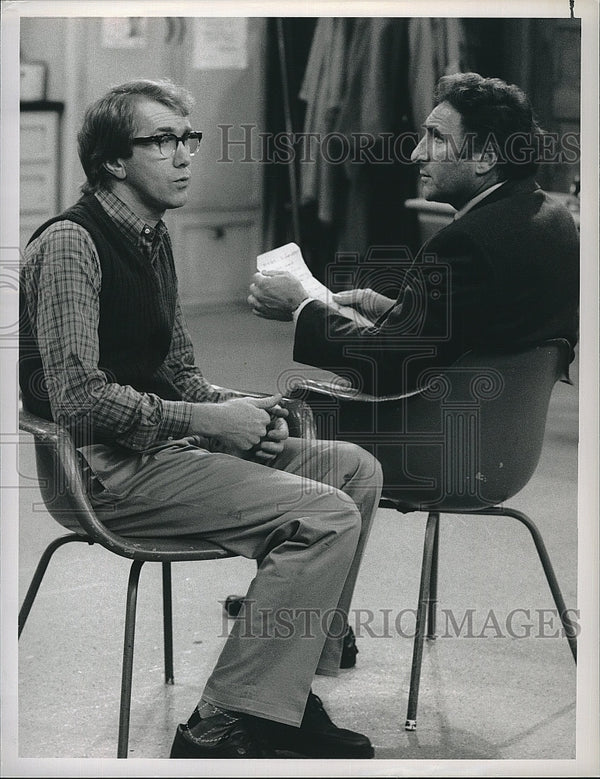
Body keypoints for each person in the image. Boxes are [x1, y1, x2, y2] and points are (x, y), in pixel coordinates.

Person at [19, 79, 383, 759]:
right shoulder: (72, 244)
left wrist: (241, 410)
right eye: (162, 139)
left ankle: (285, 693)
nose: (184, 153)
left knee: (354, 471)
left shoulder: (152, 237)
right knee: (325, 515)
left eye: (187, 137)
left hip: (169, 449)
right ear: (112, 161)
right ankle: (222, 722)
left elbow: (181, 373)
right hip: (106, 473)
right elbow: (77, 399)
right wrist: (210, 423)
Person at [248, 72, 579, 397]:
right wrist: (396, 311)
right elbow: (480, 331)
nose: (416, 153)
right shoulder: (556, 220)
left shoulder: (465, 243)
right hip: (508, 429)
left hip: (437, 431)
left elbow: (386, 367)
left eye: (436, 137)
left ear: (486, 157)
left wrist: (301, 306)